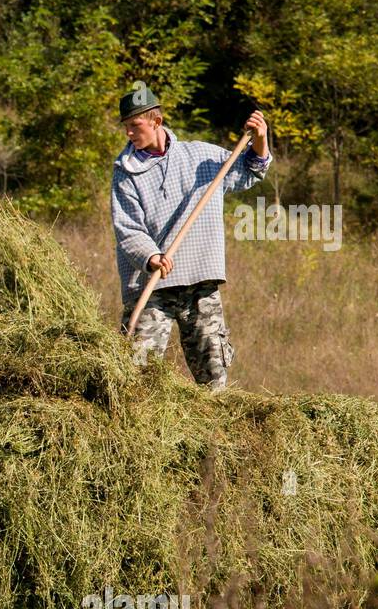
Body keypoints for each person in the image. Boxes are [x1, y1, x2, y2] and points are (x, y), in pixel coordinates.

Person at [111, 86, 270, 390]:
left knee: (214, 374)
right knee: (135, 373)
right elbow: (127, 228)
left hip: (199, 281)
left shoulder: (201, 156)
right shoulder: (125, 171)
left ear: (156, 121)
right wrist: (151, 256)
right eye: (126, 126)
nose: (129, 133)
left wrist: (260, 141)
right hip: (151, 284)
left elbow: (250, 170)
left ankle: (216, 431)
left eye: (135, 125)